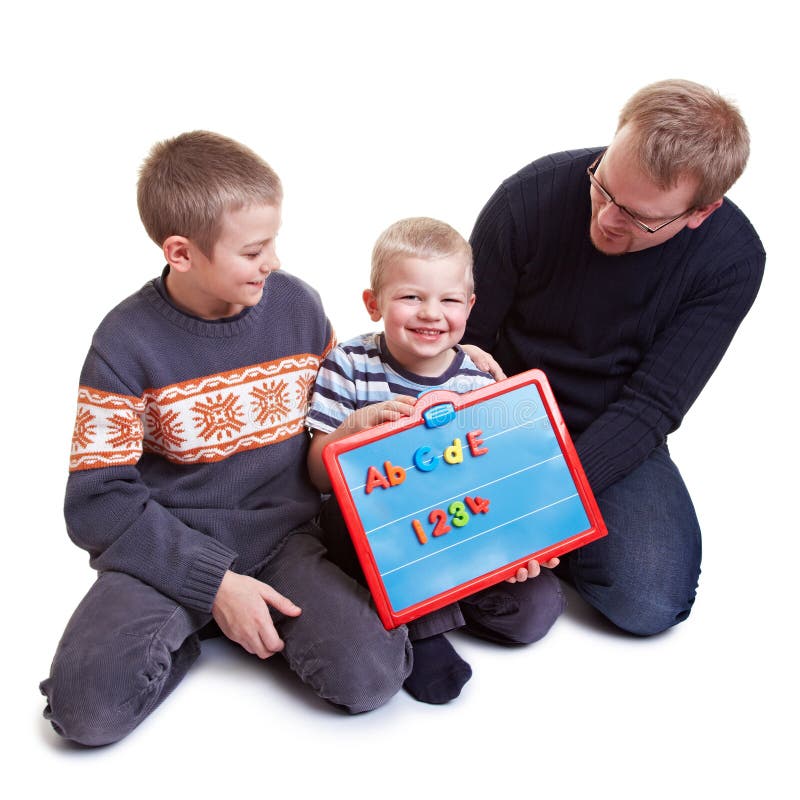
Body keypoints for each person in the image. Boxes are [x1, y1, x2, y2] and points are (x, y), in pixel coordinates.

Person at [39, 131, 412, 747]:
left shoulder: (296, 306)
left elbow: (349, 396)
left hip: (284, 536)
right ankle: (202, 620)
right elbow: (96, 502)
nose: (274, 263)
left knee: (370, 678)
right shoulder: (124, 343)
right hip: (171, 544)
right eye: (254, 250)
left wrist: (459, 362)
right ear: (181, 253)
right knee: (86, 713)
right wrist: (212, 586)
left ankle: (250, 619)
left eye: (274, 243)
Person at [464, 79, 765, 636]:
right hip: (498, 412)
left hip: (613, 429)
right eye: (603, 188)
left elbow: (652, 406)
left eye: (639, 217)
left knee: (649, 600)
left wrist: (548, 504)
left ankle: (554, 548)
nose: (606, 218)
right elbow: (464, 346)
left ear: (701, 211)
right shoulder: (529, 197)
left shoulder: (732, 260)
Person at [306, 217, 565, 705]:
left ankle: (433, 600)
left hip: (453, 529)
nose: (431, 314)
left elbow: (497, 482)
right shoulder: (348, 365)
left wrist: (515, 547)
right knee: (360, 517)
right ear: (373, 303)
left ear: (468, 307)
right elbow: (315, 472)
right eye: (410, 297)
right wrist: (351, 433)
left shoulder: (479, 380)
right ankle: (422, 630)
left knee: (537, 609)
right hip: (371, 532)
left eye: (448, 300)